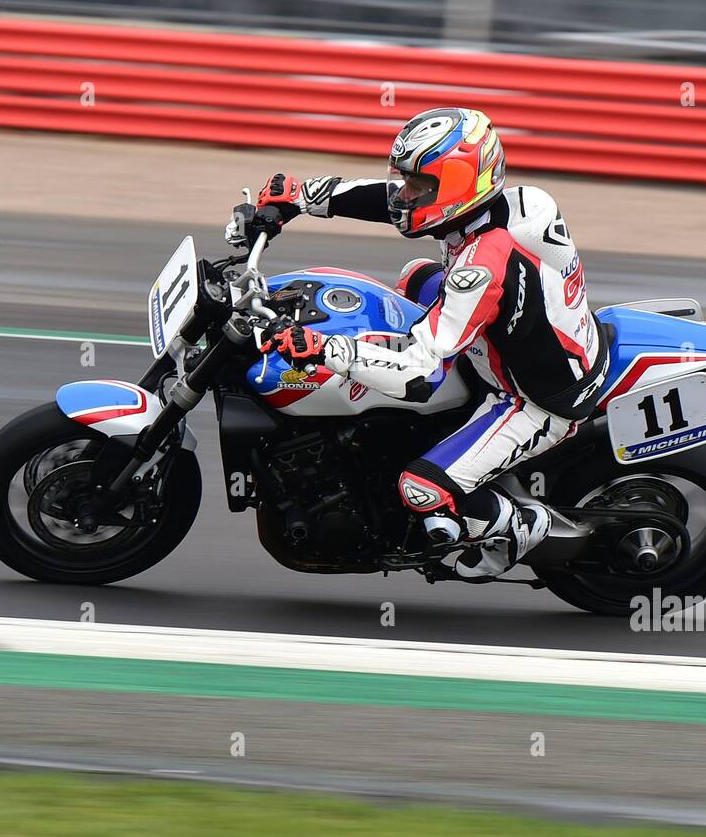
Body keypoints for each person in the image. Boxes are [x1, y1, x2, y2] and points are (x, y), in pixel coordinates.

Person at [232, 107, 607, 578]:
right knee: (414, 278)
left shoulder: (480, 266)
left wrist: (322, 348)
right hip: (510, 340)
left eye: (420, 185)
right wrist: (300, 198)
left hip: (533, 398)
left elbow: (418, 376)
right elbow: (387, 201)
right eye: (408, 181)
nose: (406, 195)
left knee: (421, 489)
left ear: (456, 187)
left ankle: (524, 526)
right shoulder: (516, 203)